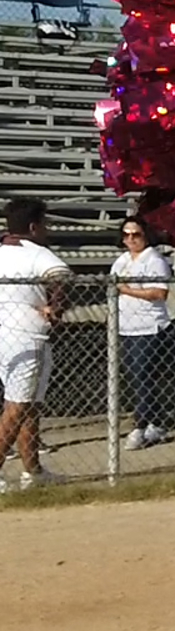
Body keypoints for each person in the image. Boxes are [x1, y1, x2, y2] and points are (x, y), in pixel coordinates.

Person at [0, 199, 70, 493]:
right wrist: (56, 306)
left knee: (28, 406)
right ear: (33, 227)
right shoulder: (37, 253)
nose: (46, 229)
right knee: (17, 407)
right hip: (28, 336)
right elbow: (62, 276)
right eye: (44, 224)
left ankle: (33, 470)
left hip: (5, 334)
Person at [112, 216, 173, 450]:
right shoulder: (123, 260)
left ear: (145, 235)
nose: (130, 239)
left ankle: (140, 425)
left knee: (142, 375)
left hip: (148, 326)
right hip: (126, 326)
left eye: (135, 234)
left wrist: (127, 290)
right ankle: (156, 422)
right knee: (136, 377)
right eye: (126, 235)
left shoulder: (154, 260)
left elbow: (159, 293)